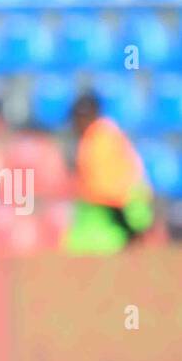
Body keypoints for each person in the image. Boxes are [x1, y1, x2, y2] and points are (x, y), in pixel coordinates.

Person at [64, 92, 155, 254]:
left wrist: (129, 225)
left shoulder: (101, 138)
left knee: (86, 248)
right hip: (111, 208)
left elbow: (108, 190)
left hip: (121, 211)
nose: (78, 122)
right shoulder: (99, 134)